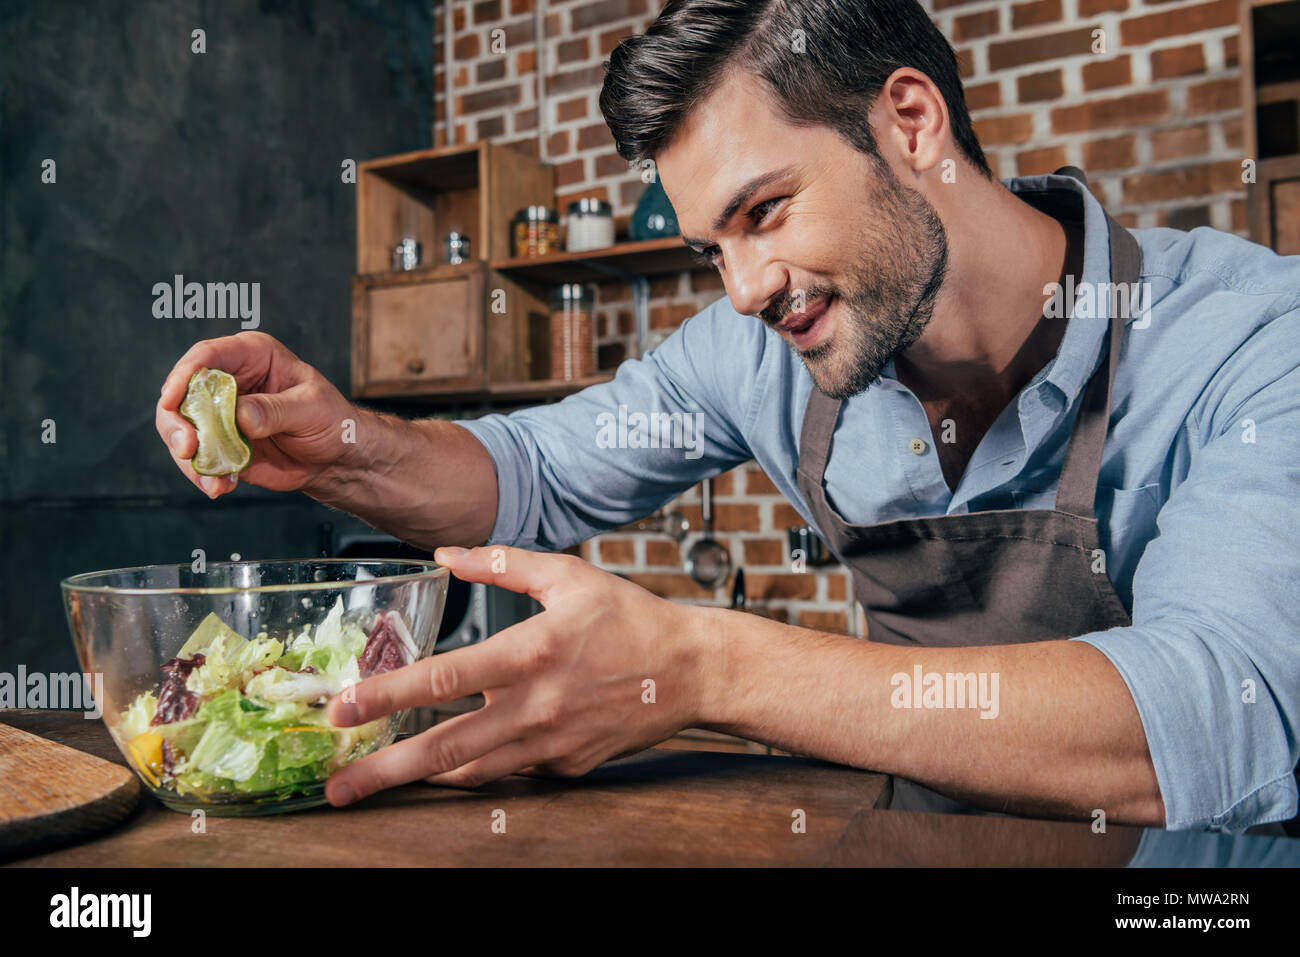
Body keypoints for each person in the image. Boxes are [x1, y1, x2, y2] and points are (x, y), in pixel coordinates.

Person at [156, 0, 1300, 831]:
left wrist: (700, 667)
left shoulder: (1247, 339)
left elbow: (1220, 705)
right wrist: (340, 444)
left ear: (910, 123)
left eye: (766, 212)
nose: (745, 289)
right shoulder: (758, 354)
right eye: (713, 247)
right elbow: (526, 476)